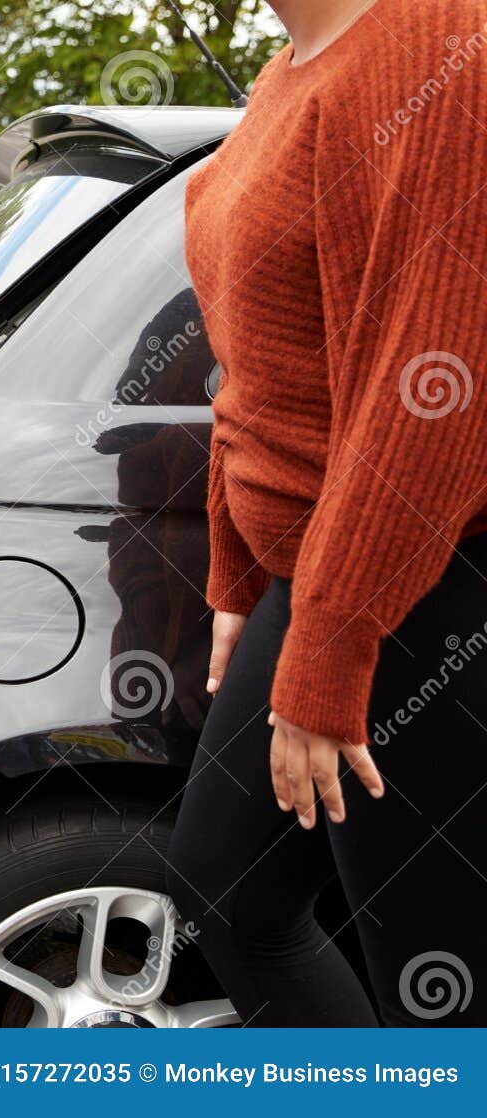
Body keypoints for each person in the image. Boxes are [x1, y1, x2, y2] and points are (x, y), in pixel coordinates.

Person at [168, 0, 487, 1026]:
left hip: (424, 586)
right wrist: (237, 572)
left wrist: (331, 648)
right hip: (316, 572)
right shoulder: (287, 70)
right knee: (227, 893)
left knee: (437, 984)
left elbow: (430, 387)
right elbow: (255, 361)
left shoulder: (439, 43)